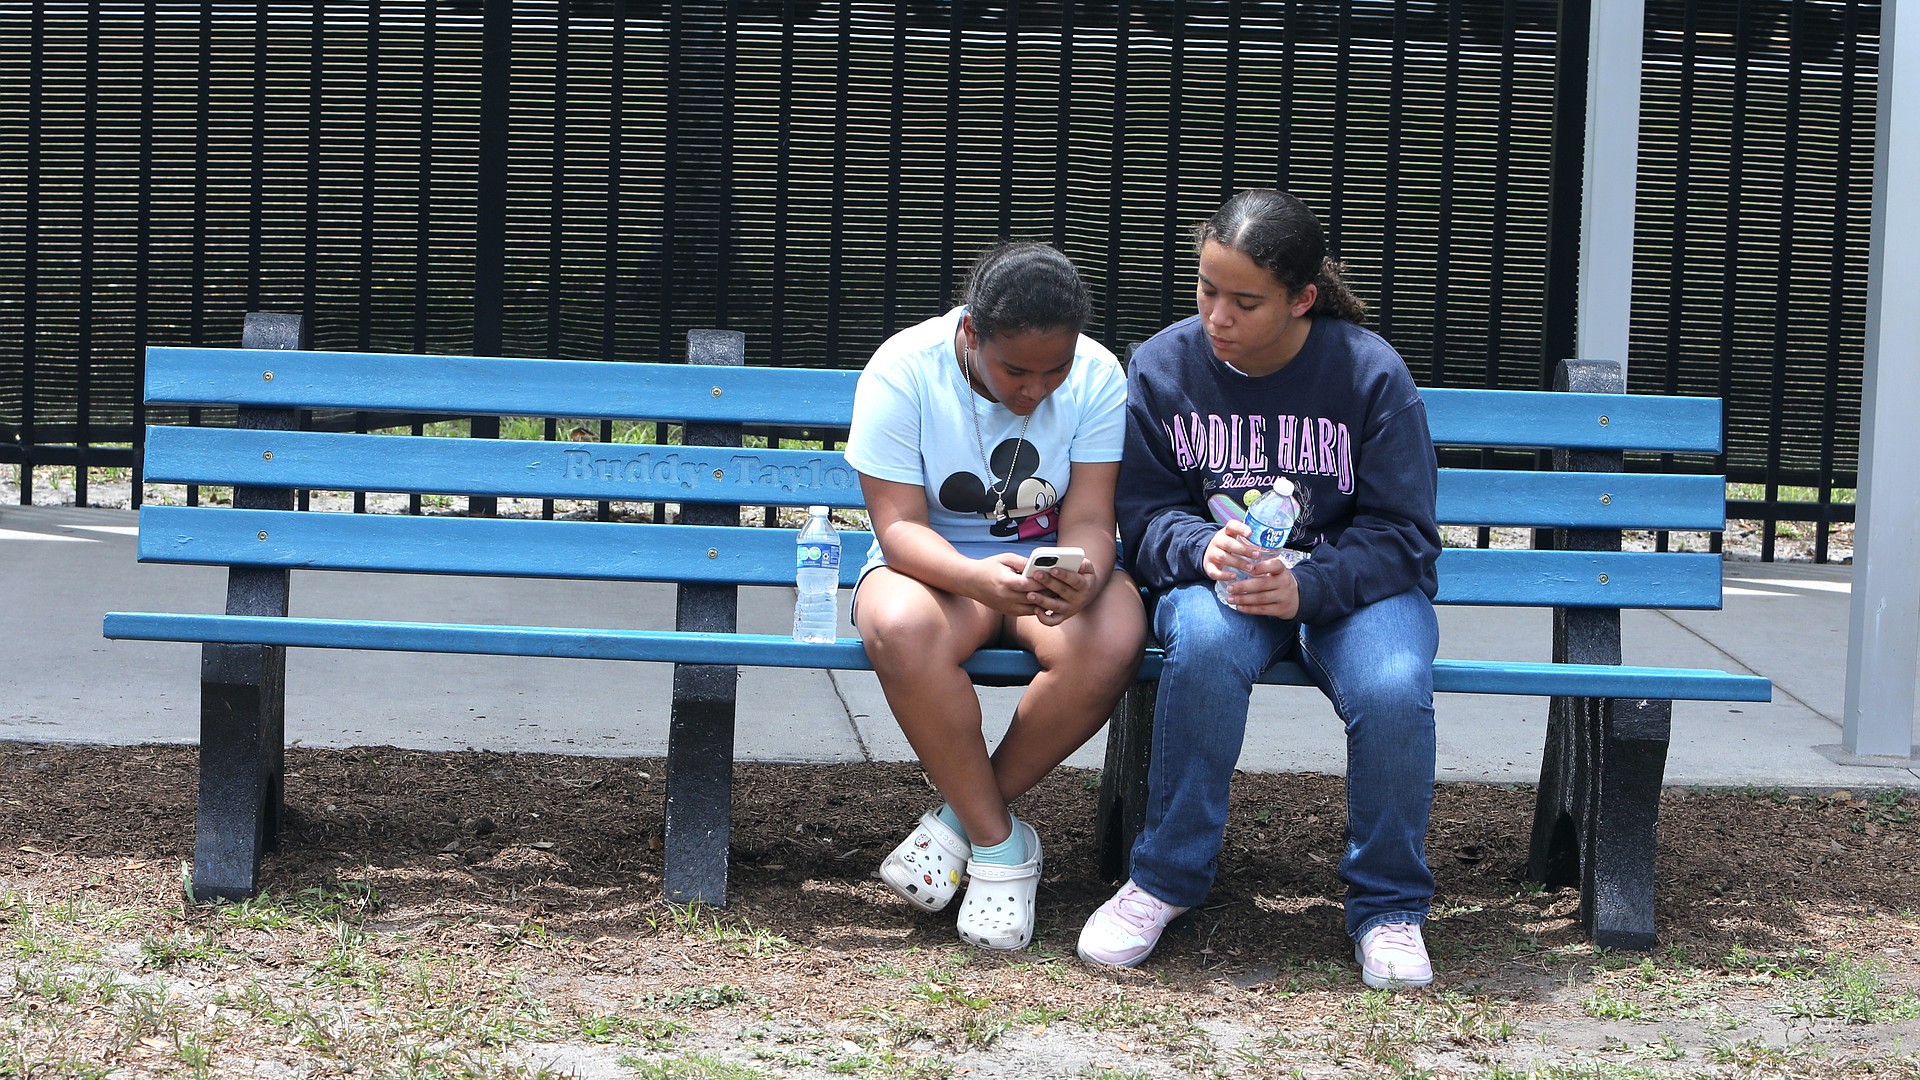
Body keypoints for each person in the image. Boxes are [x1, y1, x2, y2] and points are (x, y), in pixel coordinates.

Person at [1081, 190, 1442, 988]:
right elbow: (1140, 513)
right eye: (1207, 289)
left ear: (1301, 299)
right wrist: (1201, 546)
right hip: (1224, 581)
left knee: (1392, 686)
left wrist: (1309, 588)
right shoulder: (1164, 366)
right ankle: (1164, 881)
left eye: (1245, 301)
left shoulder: (1369, 372)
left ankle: (1388, 907)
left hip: (1351, 589)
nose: (1217, 316)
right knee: (1204, 646)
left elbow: (1406, 535)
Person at [843, 240, 1147, 951]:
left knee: (1112, 635)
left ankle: (958, 821)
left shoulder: (1100, 375)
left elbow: (1093, 519)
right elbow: (898, 530)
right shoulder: (902, 370)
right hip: (937, 570)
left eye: (1055, 369)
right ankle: (1002, 848)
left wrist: (1087, 578)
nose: (1035, 390)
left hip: (1046, 572)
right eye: (1014, 369)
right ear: (972, 334)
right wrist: (977, 579)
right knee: (899, 627)